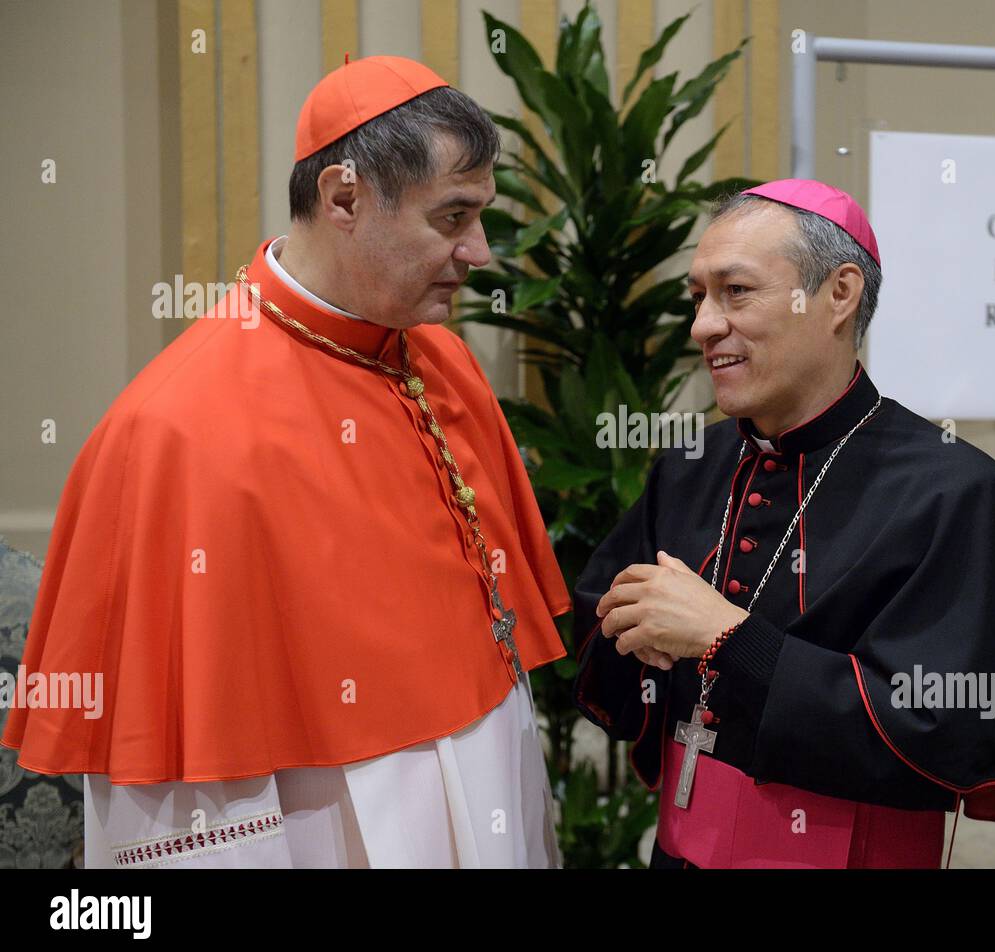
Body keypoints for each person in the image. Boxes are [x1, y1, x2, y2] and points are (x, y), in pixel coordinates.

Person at [1, 55, 571, 867]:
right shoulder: (173, 432)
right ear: (345, 198)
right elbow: (181, 802)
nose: (478, 252)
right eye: (452, 217)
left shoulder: (441, 364)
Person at [572, 179, 995, 869]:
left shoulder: (957, 493)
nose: (704, 325)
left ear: (840, 293)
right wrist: (629, 630)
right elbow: (597, 619)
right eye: (697, 297)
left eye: (735, 292)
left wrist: (729, 639)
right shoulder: (691, 465)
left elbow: (948, 721)